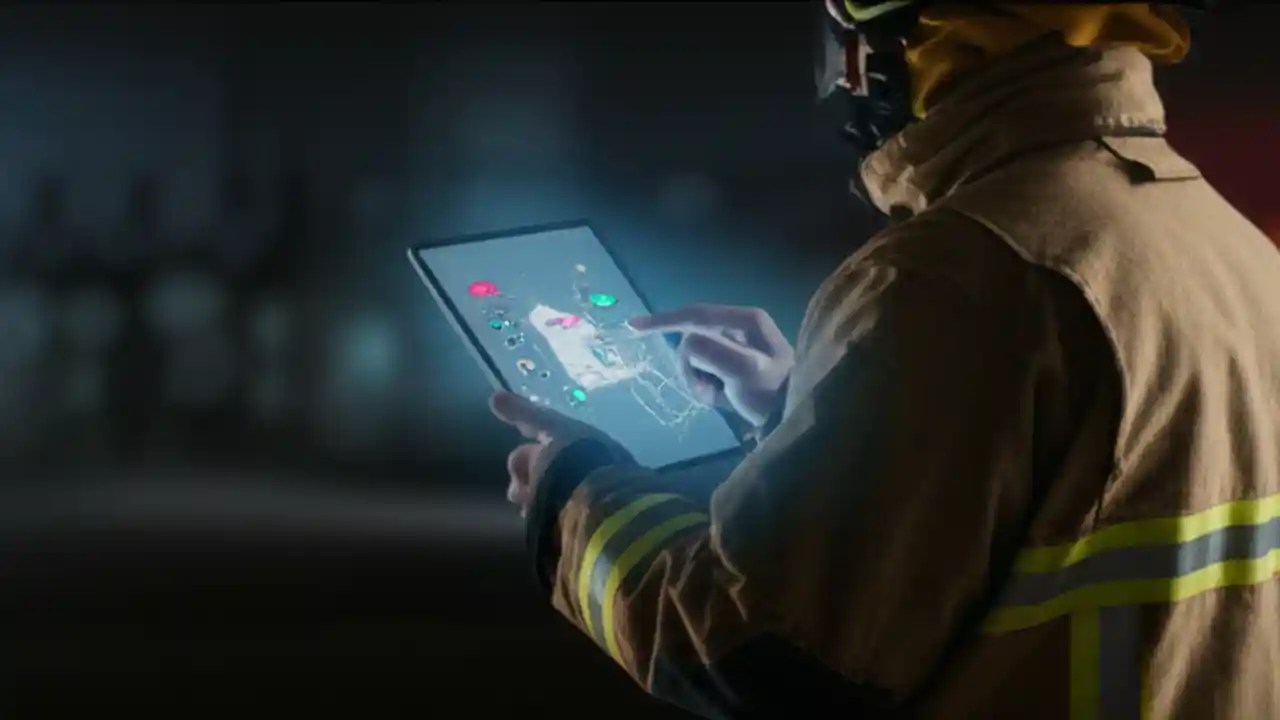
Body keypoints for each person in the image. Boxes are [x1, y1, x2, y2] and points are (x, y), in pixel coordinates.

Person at [490, 3, 1280, 717]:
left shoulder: (951, 275)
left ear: (893, 43)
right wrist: (810, 408)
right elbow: (1068, 486)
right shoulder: (1231, 244)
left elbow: (753, 649)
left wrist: (572, 500)